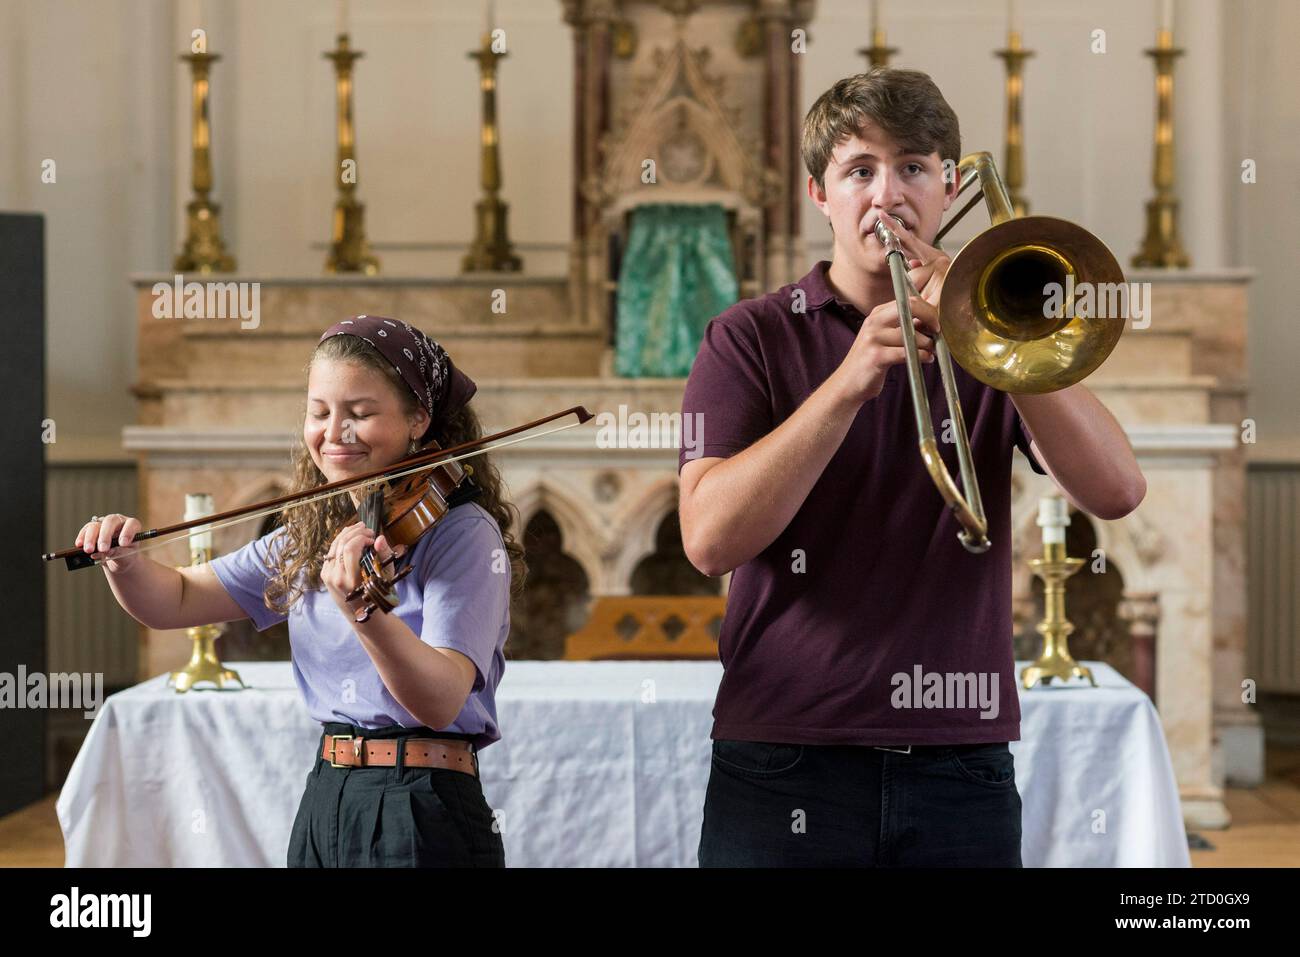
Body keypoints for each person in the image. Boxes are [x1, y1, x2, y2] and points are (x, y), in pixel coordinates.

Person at [678, 69, 1147, 867]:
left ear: (951, 184)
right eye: (859, 170)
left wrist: (1006, 342)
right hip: (785, 753)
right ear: (819, 194)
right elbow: (709, 539)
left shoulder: (997, 340)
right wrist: (849, 382)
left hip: (958, 758)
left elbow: (1116, 489)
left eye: (913, 168)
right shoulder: (749, 337)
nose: (886, 194)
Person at [80, 315, 524, 867]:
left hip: (423, 802)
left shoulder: (461, 532)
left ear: (418, 418)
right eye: (319, 413)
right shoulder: (315, 532)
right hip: (328, 794)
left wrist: (364, 610)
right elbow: (175, 600)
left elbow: (438, 701)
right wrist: (123, 563)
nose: (333, 433)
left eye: (359, 414)